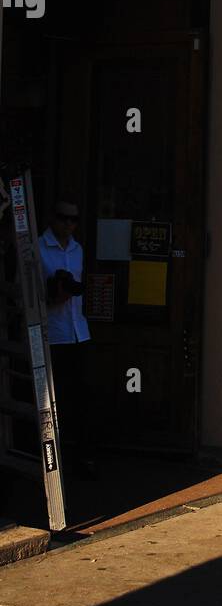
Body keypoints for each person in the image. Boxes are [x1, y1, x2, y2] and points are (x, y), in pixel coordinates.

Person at [38, 199, 96, 479]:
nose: (69, 225)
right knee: (54, 399)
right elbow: (34, 294)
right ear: (53, 218)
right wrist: (53, 294)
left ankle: (81, 456)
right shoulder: (38, 249)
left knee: (81, 398)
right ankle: (52, 459)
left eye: (74, 220)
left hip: (77, 332)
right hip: (54, 334)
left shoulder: (77, 249)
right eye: (64, 218)